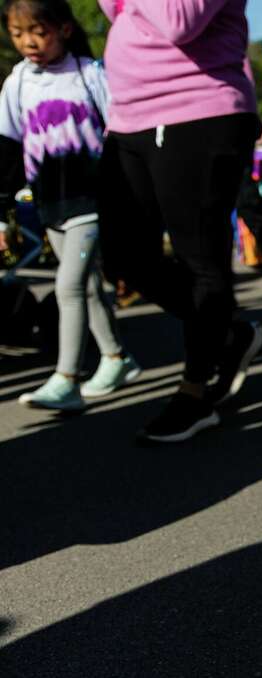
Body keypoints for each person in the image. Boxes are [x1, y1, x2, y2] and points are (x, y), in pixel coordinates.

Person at [97, 0, 262, 443]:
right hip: (128, 116)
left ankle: (195, 394)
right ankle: (226, 334)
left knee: (200, 260)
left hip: (200, 110)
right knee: (123, 256)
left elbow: (178, 21)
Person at [0, 0, 140, 412]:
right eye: (17, 33)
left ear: (62, 29)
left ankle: (67, 379)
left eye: (38, 31)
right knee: (89, 287)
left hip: (92, 202)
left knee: (69, 284)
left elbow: (120, 130)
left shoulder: (90, 73)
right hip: (49, 203)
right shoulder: (18, 82)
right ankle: (117, 357)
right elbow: (5, 150)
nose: (29, 42)